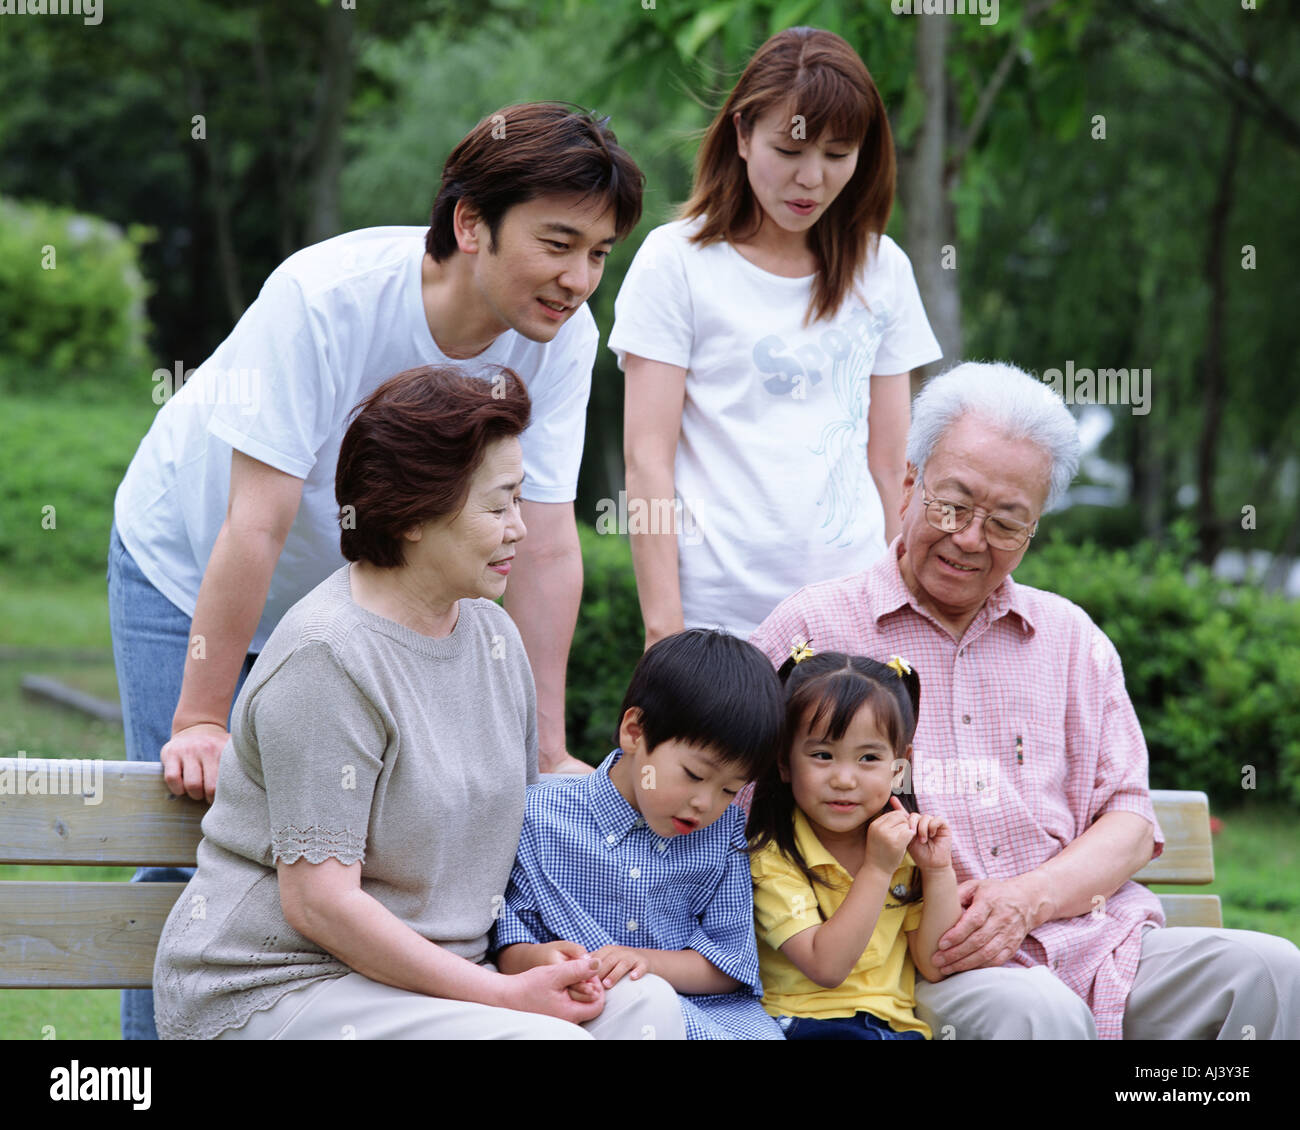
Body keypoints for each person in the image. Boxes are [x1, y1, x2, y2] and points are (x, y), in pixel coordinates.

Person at [112, 102, 643, 1037]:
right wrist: (201, 716)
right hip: (195, 563)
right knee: (191, 847)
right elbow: (257, 520)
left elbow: (549, 541)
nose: (578, 277)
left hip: (380, 604)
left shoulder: (563, 339)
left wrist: (547, 748)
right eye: (558, 242)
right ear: (471, 222)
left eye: (599, 253)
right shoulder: (329, 294)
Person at [750, 360, 1300, 1039]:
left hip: (1100, 943)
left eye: (1007, 522)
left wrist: (1027, 901)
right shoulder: (814, 630)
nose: (970, 539)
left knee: (1272, 969)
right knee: (1037, 1012)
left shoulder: (1072, 640)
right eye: (952, 504)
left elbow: (1128, 818)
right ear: (907, 485)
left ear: (1034, 527)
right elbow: (731, 797)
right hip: (927, 966)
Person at [153, 365, 684, 1041]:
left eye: (519, 500)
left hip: (440, 988)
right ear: (411, 514)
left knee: (647, 1008)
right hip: (284, 987)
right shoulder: (329, 657)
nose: (521, 528)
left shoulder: (493, 635)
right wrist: (502, 995)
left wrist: (526, 963)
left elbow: (513, 832)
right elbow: (320, 905)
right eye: (498, 507)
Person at [612, 26, 942, 647]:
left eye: (838, 154)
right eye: (789, 152)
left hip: (854, 618)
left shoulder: (884, 267)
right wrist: (664, 628)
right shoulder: (675, 261)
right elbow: (646, 461)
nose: (811, 179)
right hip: (718, 623)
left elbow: (891, 464)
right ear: (741, 134)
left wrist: (903, 614)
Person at [490, 629, 787, 1039]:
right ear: (635, 731)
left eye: (730, 790)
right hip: (584, 1013)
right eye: (694, 775)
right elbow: (508, 940)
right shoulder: (541, 816)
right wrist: (540, 958)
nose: (706, 803)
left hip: (710, 1020)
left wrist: (643, 960)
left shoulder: (725, 835)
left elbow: (728, 966)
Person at [747, 648, 959, 1040]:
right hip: (805, 1025)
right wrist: (877, 870)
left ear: (899, 768)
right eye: (823, 755)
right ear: (783, 762)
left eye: (868, 758)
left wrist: (937, 870)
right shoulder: (773, 856)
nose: (845, 779)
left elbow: (933, 964)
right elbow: (826, 967)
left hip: (897, 1030)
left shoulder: (900, 847)